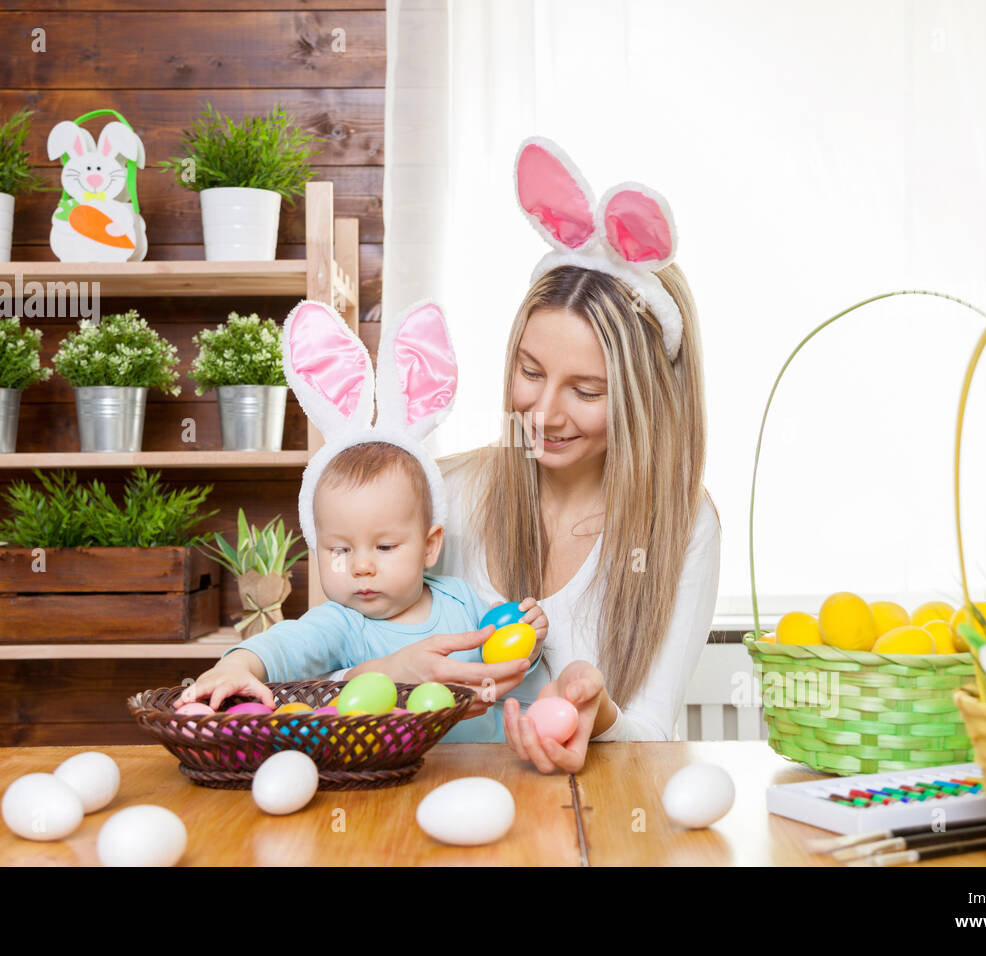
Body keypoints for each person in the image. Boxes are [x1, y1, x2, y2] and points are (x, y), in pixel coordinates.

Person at [334, 137, 722, 773]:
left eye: (587, 391)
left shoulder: (685, 526)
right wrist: (397, 671)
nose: (544, 415)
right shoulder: (445, 493)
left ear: (644, 402)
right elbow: (326, 671)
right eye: (531, 372)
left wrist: (597, 716)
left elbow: (650, 730)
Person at [178, 298, 549, 743]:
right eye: (340, 550)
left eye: (385, 547)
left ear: (430, 545)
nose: (362, 567)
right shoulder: (342, 622)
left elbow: (505, 657)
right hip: (382, 791)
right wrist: (234, 667)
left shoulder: (463, 600)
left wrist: (529, 635)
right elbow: (281, 645)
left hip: (482, 778)